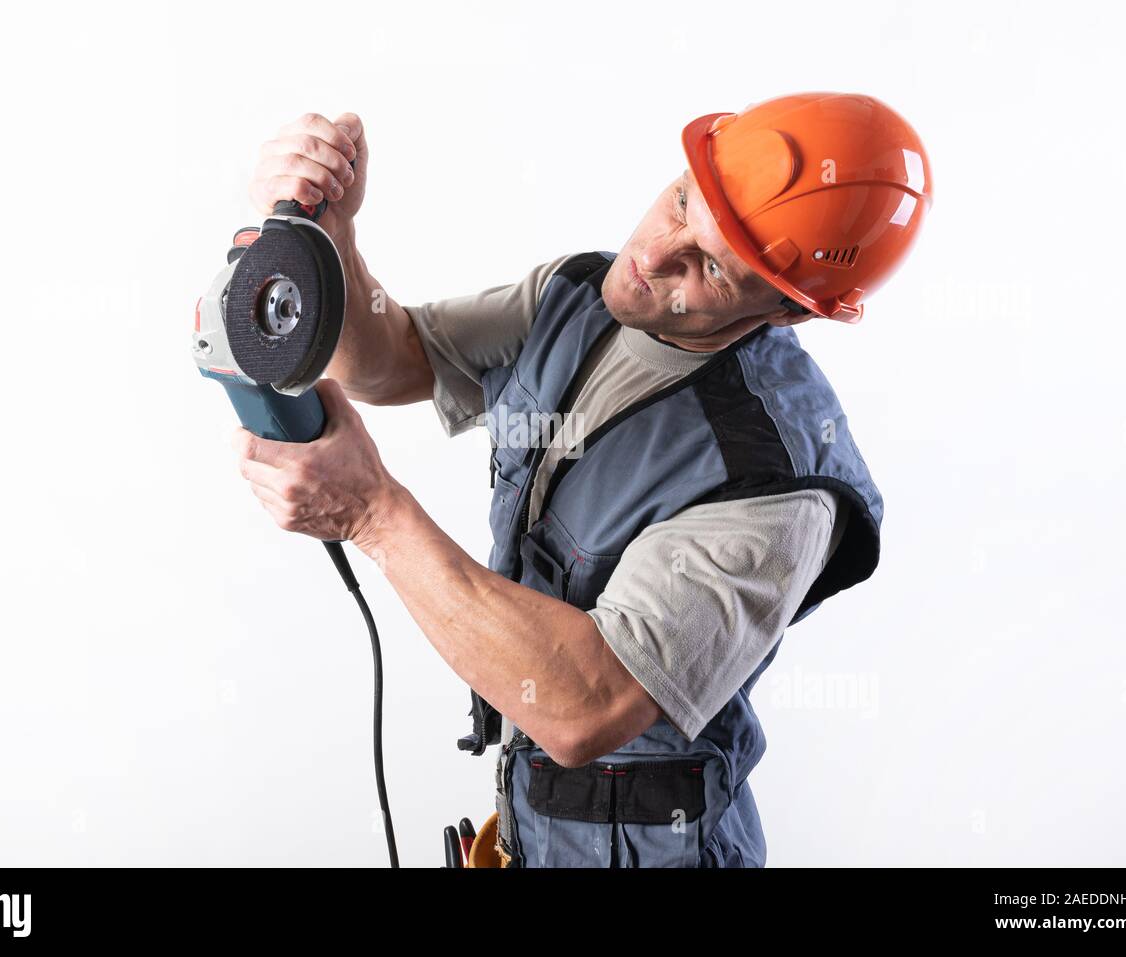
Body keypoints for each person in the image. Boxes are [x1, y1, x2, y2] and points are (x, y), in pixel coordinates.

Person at [233, 94, 932, 867]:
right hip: (535, 831)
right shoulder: (579, 297)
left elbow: (582, 706)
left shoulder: (775, 484)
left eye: (709, 268)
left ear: (789, 311)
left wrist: (373, 514)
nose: (656, 255)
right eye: (680, 203)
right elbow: (395, 357)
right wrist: (332, 241)